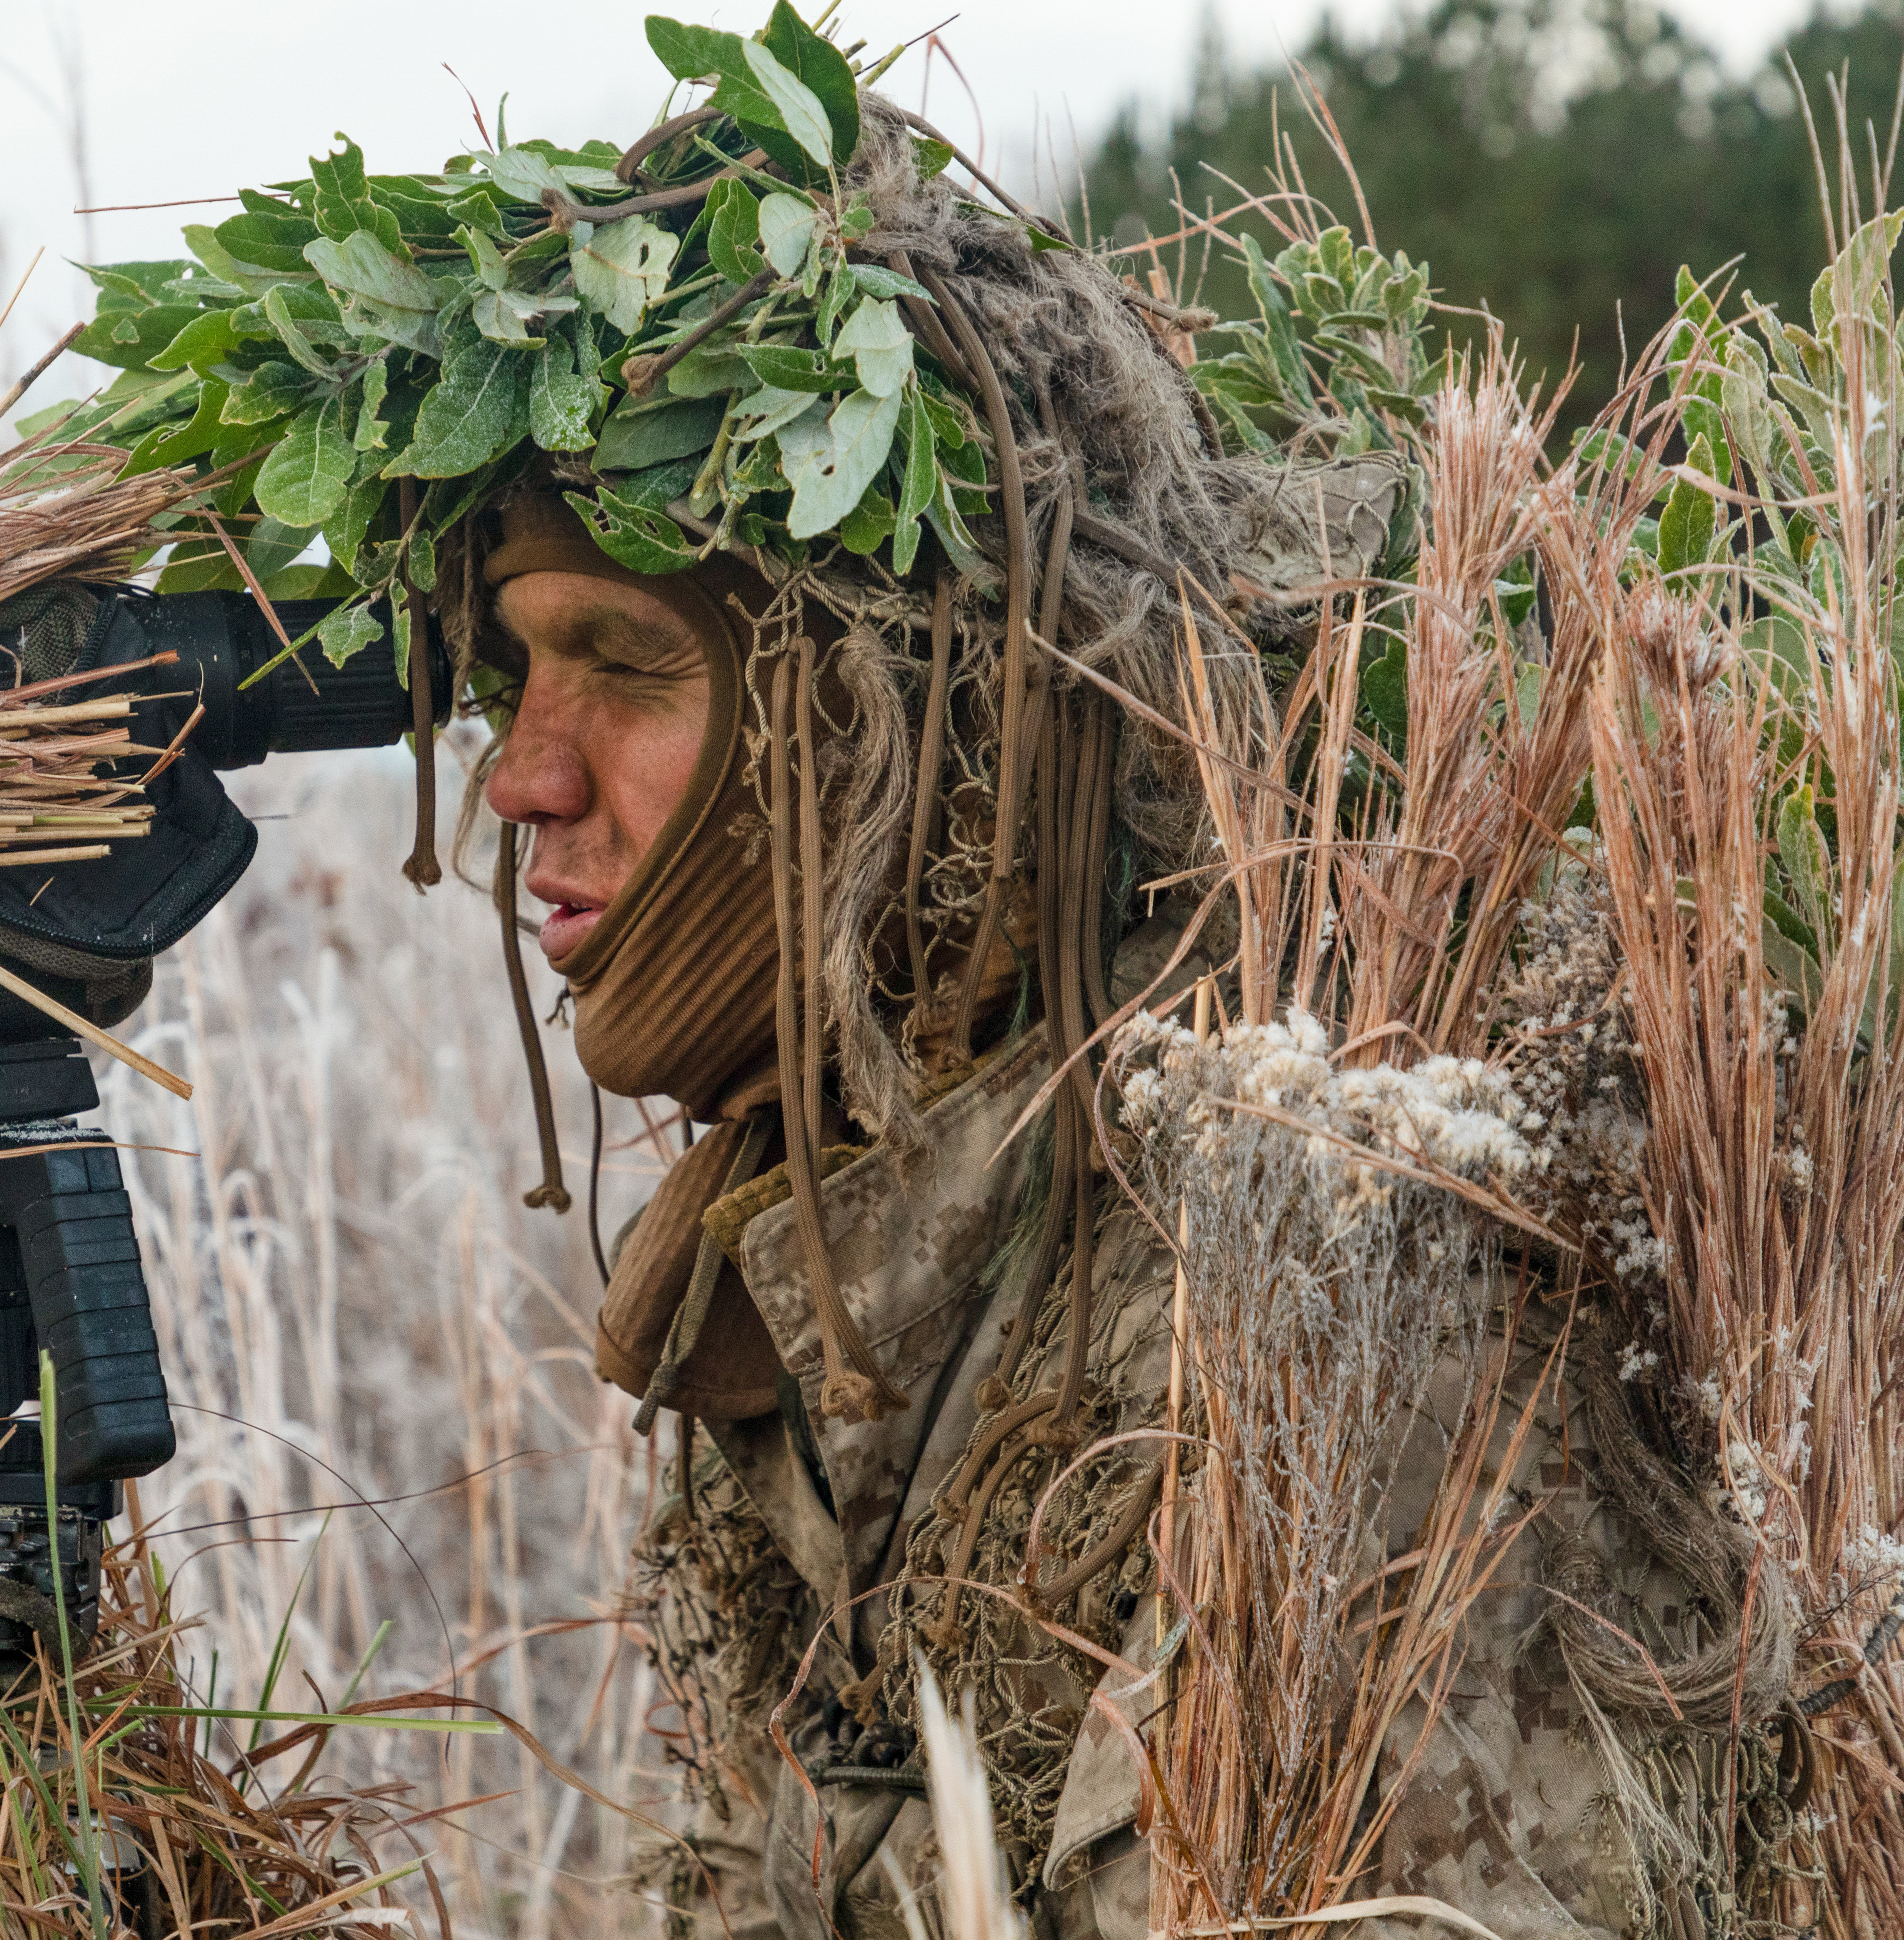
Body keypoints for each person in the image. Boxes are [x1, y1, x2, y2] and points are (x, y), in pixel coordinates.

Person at [444, 147, 1781, 1922]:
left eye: (624, 660)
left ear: (884, 722)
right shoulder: (836, 1265)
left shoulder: (1318, 1331)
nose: (520, 777)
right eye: (510, 676)